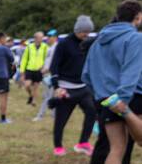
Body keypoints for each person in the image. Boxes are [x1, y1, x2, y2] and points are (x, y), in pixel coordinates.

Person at [83, 0, 142, 164]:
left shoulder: (99, 39)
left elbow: (86, 74)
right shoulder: (135, 38)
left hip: (105, 98)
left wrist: (101, 96)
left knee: (116, 148)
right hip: (130, 96)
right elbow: (132, 70)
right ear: (137, 17)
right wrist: (123, 102)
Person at [49, 16, 97, 156]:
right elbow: (54, 66)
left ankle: (83, 143)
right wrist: (56, 86)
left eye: (89, 31)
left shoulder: (88, 43)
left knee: (92, 111)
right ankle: (58, 146)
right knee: (61, 120)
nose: (86, 34)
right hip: (66, 88)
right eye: (84, 32)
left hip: (83, 88)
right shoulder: (64, 44)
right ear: (77, 30)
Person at [20, 30, 49, 107]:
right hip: (29, 69)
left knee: (36, 87)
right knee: (27, 85)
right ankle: (30, 95)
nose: (41, 39)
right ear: (35, 38)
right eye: (40, 37)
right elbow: (24, 59)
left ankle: (33, 101)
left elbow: (47, 58)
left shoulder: (45, 46)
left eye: (42, 37)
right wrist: (22, 71)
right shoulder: (29, 47)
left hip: (39, 70)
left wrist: (44, 67)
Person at [33, 32, 58, 121]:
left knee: (48, 96)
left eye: (50, 37)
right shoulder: (50, 48)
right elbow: (47, 60)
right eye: (48, 37)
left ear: (55, 37)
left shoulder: (56, 47)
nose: (48, 39)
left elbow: (54, 62)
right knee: (49, 95)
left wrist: (46, 69)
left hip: (51, 74)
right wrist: (42, 67)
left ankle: (40, 115)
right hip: (47, 74)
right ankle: (54, 115)